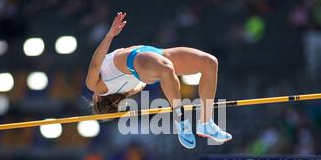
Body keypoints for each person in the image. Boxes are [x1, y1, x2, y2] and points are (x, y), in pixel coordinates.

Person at [86, 12, 232, 149]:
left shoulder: (127, 91)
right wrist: (110, 35)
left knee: (209, 63)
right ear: (97, 98)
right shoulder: (96, 87)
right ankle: (181, 121)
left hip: (155, 54)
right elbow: (95, 64)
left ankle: (206, 122)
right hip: (138, 59)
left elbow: (142, 83)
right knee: (167, 69)